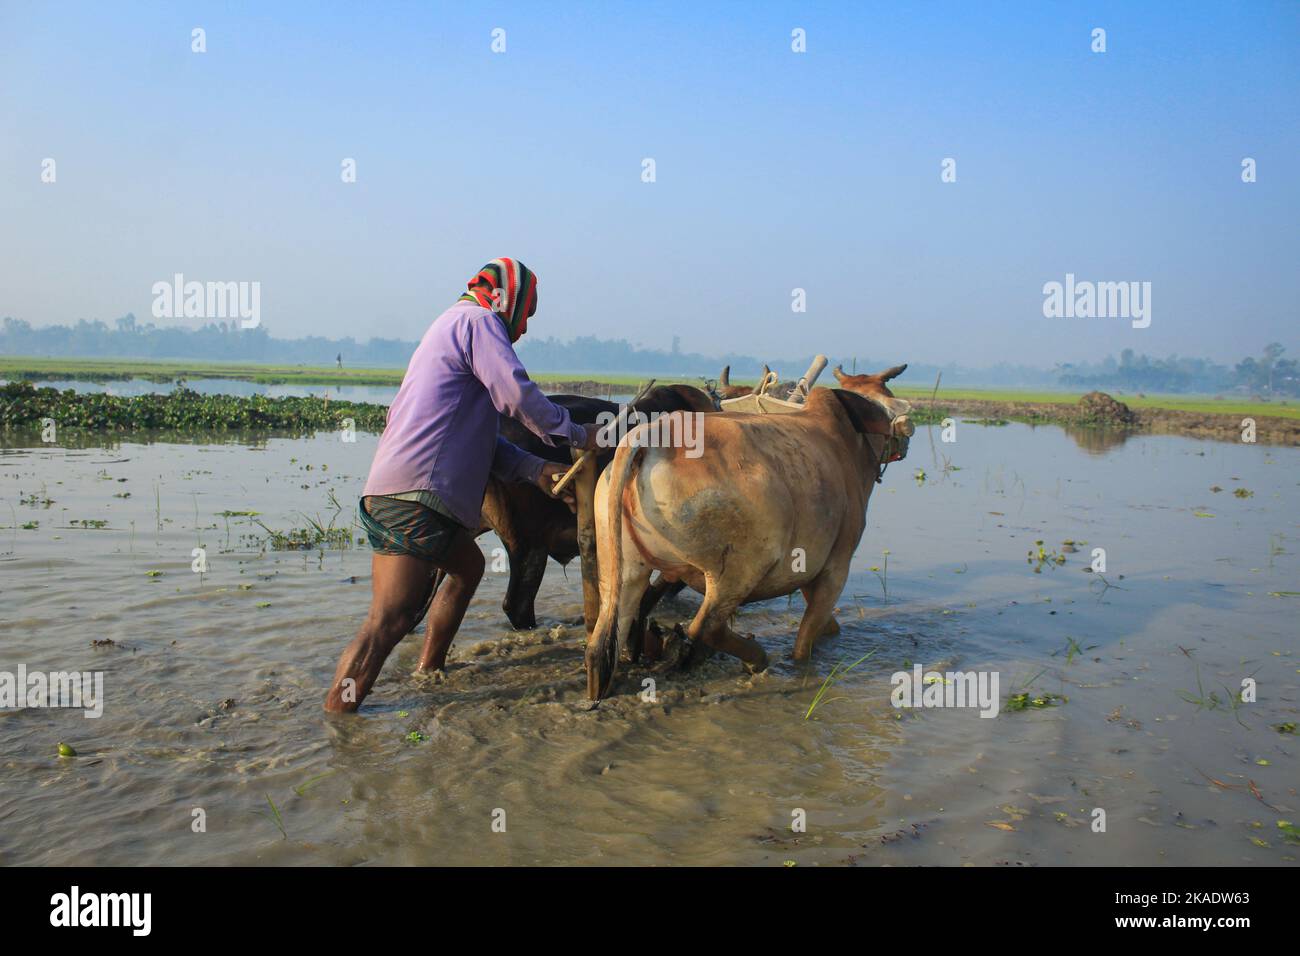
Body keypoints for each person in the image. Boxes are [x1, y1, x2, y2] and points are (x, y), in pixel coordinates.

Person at [324, 258, 599, 713]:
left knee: (468, 567)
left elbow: (481, 441)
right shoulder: (478, 321)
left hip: (411, 492)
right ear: (504, 299)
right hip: (414, 498)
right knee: (388, 622)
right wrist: (573, 433)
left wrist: (536, 470)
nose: (524, 329)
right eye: (526, 315)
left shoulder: (451, 327)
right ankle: (339, 719)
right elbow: (516, 394)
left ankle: (429, 670)